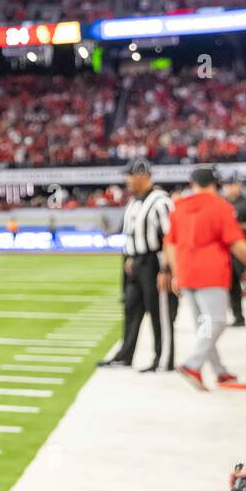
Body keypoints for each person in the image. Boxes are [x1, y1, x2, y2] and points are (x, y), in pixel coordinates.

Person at [165, 166, 246, 390]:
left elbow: (170, 243)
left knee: (204, 325)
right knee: (217, 321)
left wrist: (176, 273)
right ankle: (192, 364)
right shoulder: (220, 206)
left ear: (192, 183)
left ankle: (219, 370)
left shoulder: (180, 207)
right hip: (211, 272)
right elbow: (236, 241)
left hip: (186, 272)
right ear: (214, 184)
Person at [98, 158, 176, 372]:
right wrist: (130, 257)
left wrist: (167, 269)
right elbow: (131, 233)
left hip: (154, 261)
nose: (127, 180)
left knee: (159, 312)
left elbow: (171, 237)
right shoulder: (133, 201)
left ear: (142, 175)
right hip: (136, 262)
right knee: (131, 308)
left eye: (130, 175)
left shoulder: (161, 201)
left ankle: (164, 358)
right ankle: (125, 355)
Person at [222, 173, 246, 326]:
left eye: (231, 185)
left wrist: (234, 228)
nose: (228, 188)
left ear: (238, 185)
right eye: (226, 185)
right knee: (232, 286)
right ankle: (238, 317)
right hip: (228, 253)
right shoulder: (223, 204)